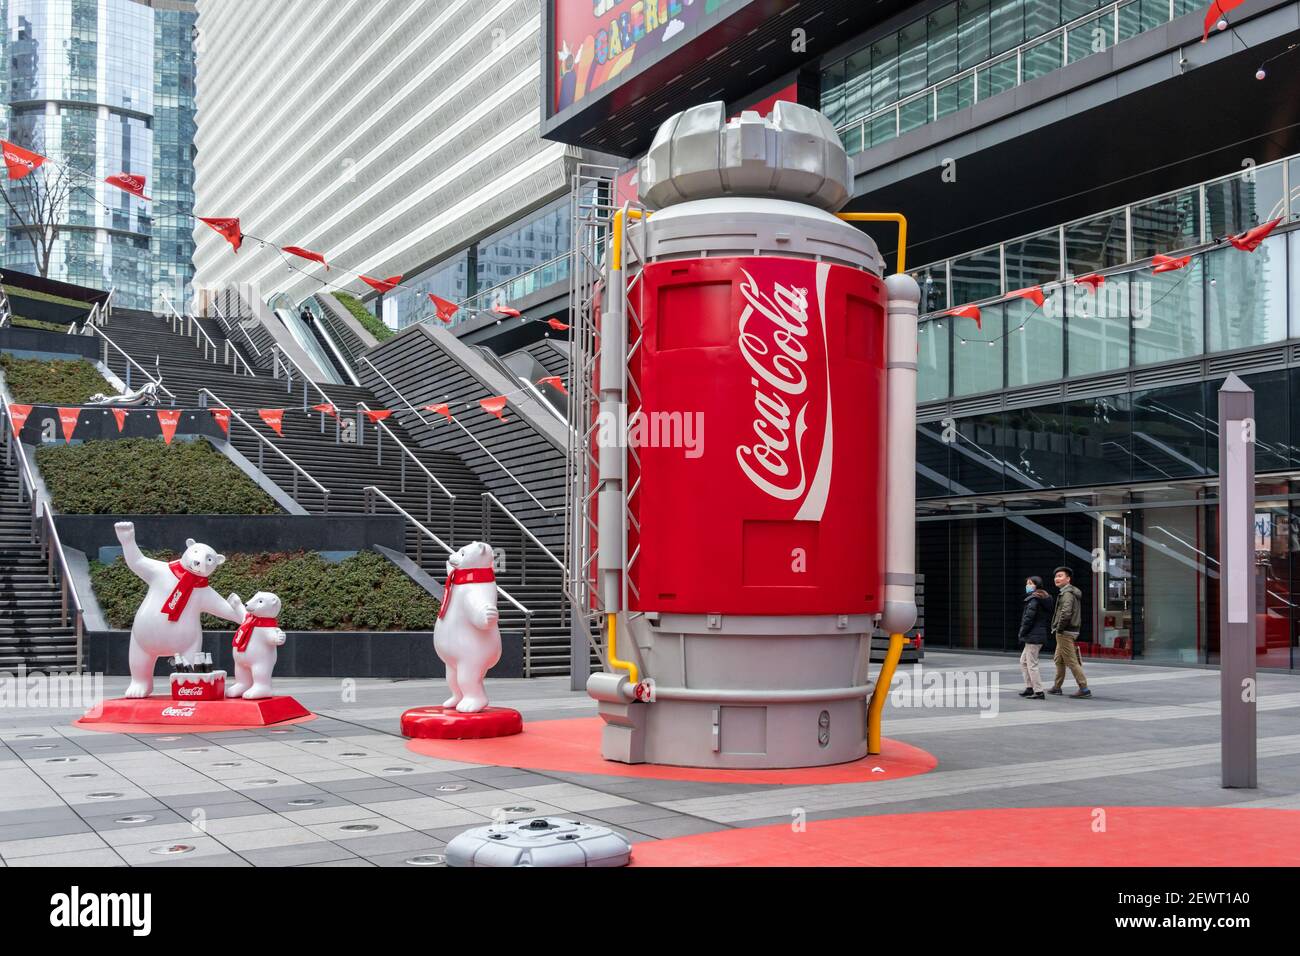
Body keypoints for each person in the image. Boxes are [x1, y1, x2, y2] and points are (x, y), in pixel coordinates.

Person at [1049, 565, 1090, 698]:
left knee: (1071, 661)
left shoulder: (1067, 594)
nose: (1057, 578)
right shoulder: (1069, 592)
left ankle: (1084, 688)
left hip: (1065, 632)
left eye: (1060, 576)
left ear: (1068, 579)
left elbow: (1066, 613)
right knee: (1058, 660)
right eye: (1056, 576)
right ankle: (1057, 686)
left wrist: (1059, 628)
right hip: (1067, 631)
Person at [1018, 575, 1052, 700]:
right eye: (1027, 583)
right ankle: (1029, 687)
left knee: (1031, 664)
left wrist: (1022, 633)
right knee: (1023, 661)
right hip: (1035, 635)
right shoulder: (1041, 598)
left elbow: (1028, 619)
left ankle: (1038, 691)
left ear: (1037, 585)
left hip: (1033, 636)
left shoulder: (1034, 600)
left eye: (1030, 583)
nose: (1028, 585)